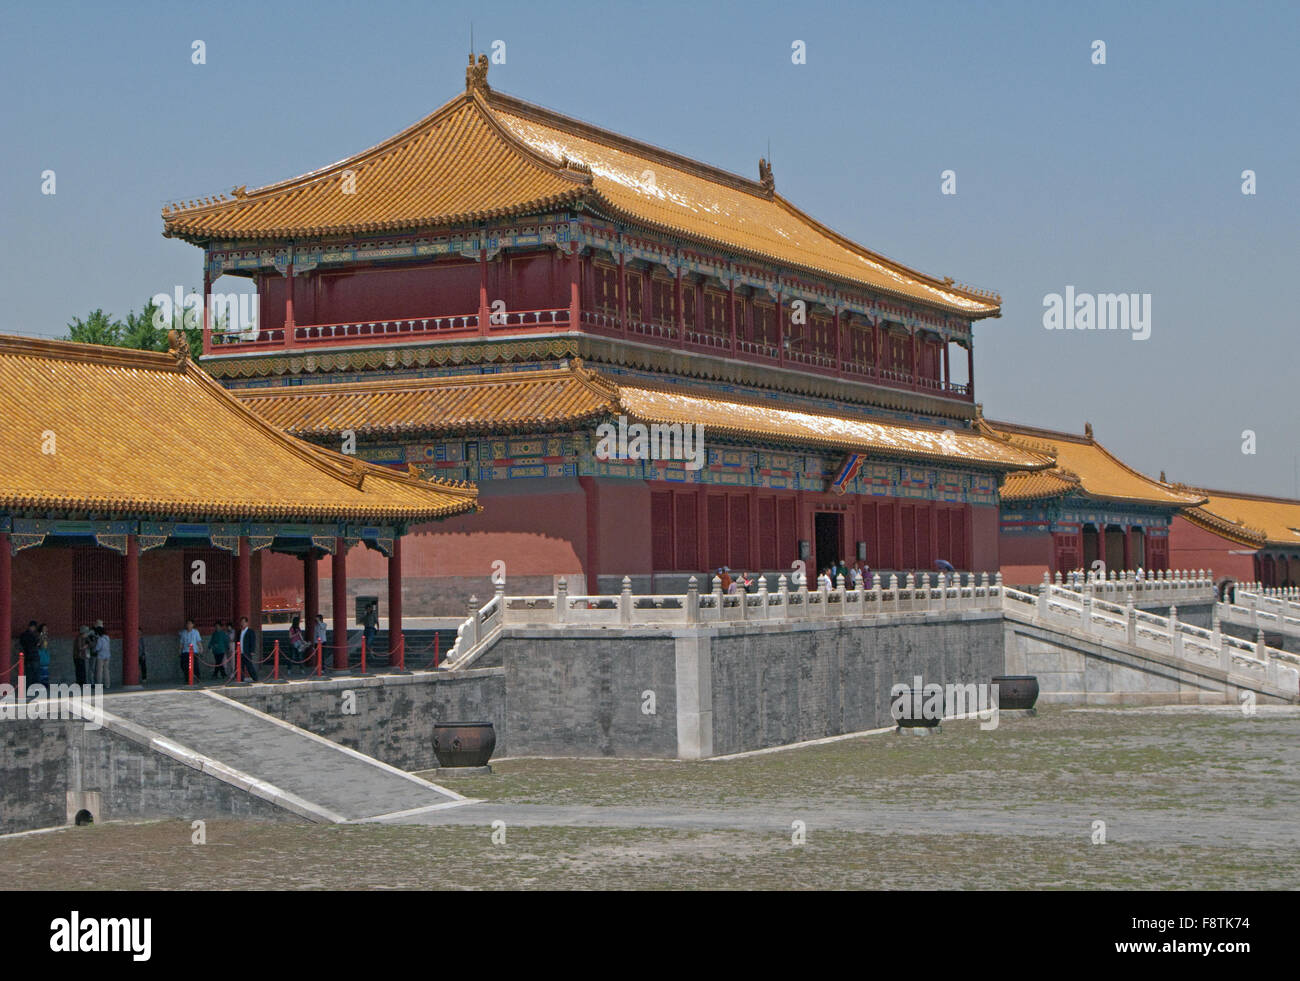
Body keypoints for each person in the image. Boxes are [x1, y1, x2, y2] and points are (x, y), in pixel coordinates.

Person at [178, 619, 203, 683]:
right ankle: (187, 678)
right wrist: (180, 651)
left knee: (195, 666)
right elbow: (181, 643)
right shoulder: (183, 633)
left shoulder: (196, 632)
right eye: (187, 624)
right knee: (184, 665)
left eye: (190, 623)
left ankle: (197, 677)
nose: (188, 625)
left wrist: (201, 648)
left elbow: (198, 641)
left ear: (193, 625)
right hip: (185, 651)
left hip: (194, 651)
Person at [235, 616, 259, 682]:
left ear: (247, 623)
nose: (242, 623)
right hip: (240, 652)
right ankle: (241, 679)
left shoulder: (250, 631)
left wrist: (252, 650)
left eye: (244, 622)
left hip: (247, 652)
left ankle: (255, 678)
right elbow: (237, 641)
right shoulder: (239, 631)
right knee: (240, 666)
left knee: (249, 666)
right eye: (241, 622)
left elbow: (253, 641)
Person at [92, 624, 111, 690]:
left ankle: (99, 685)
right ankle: (107, 684)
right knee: (106, 670)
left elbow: (98, 648)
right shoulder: (107, 637)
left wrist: (94, 650)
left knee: (99, 671)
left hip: (101, 656)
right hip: (107, 655)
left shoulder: (100, 639)